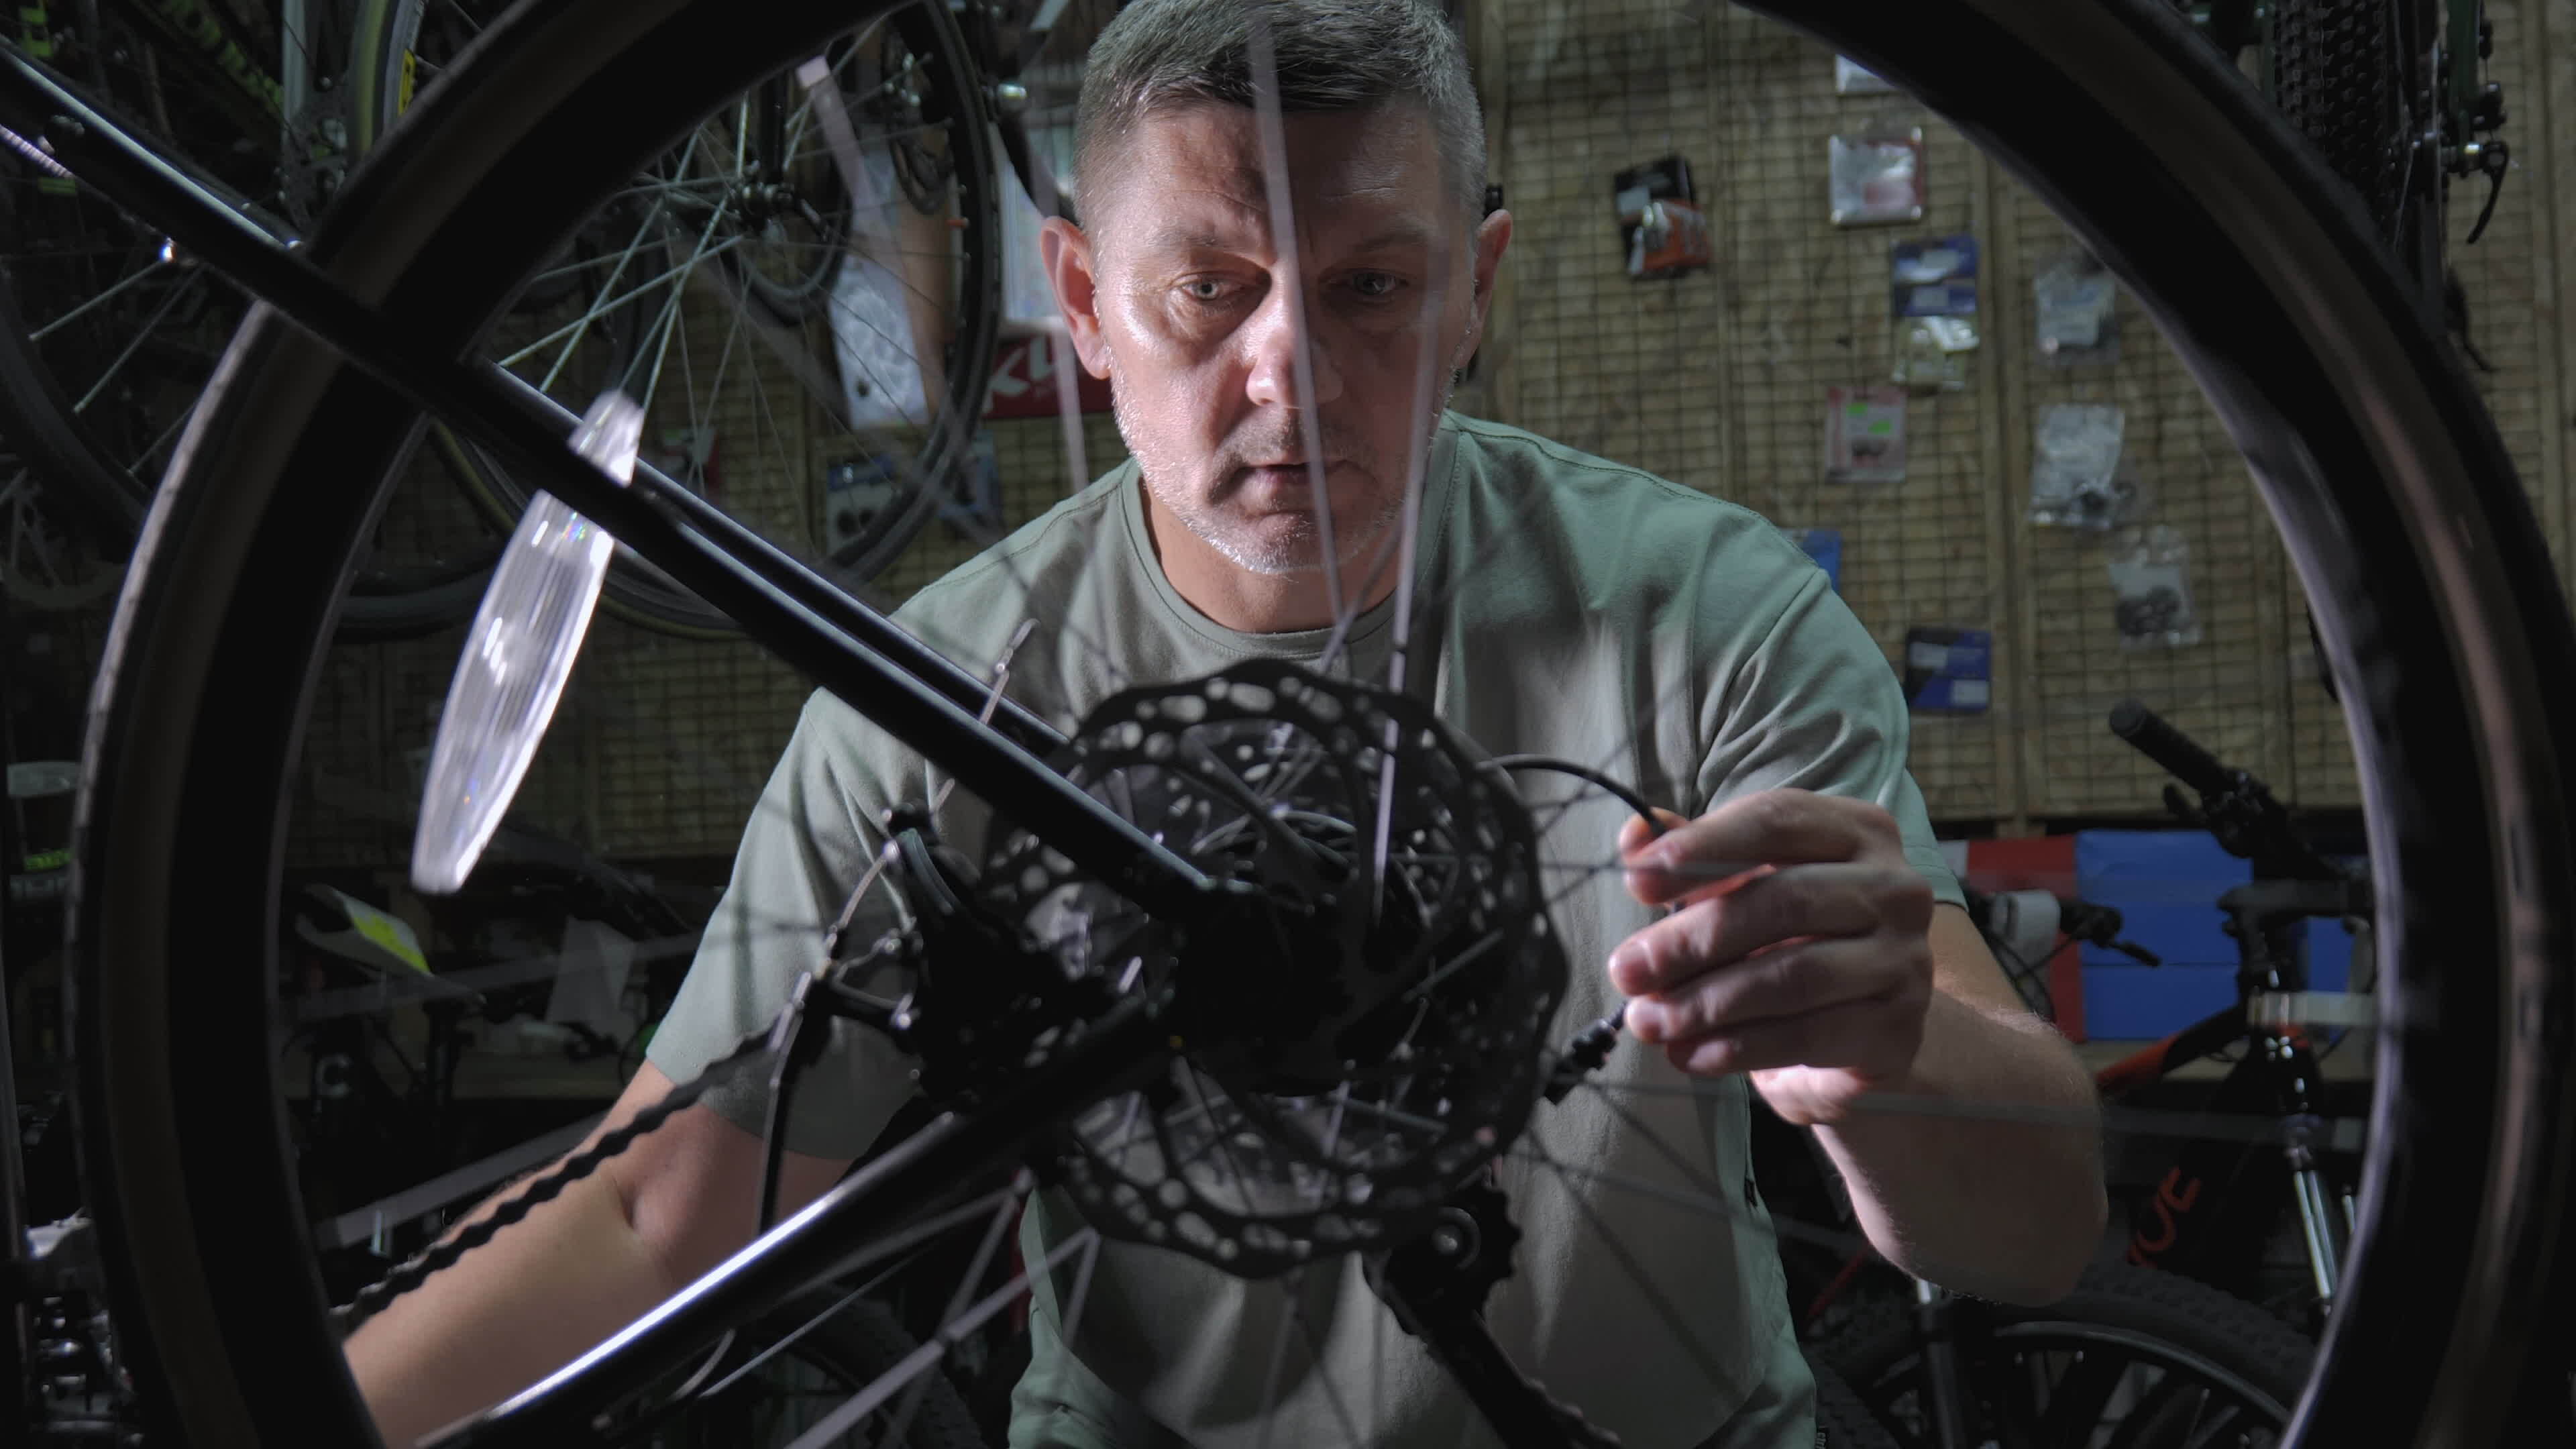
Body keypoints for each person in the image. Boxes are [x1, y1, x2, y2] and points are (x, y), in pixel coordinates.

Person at [345, 1, 2105, 1444]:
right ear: (1088, 306)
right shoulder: (939, 702)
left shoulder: (1708, 618)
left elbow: (2036, 1232)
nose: (1292, 374)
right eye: (1210, 286)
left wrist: (1886, 1063)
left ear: (1476, 288)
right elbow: (662, 1212)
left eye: (1370, 286)